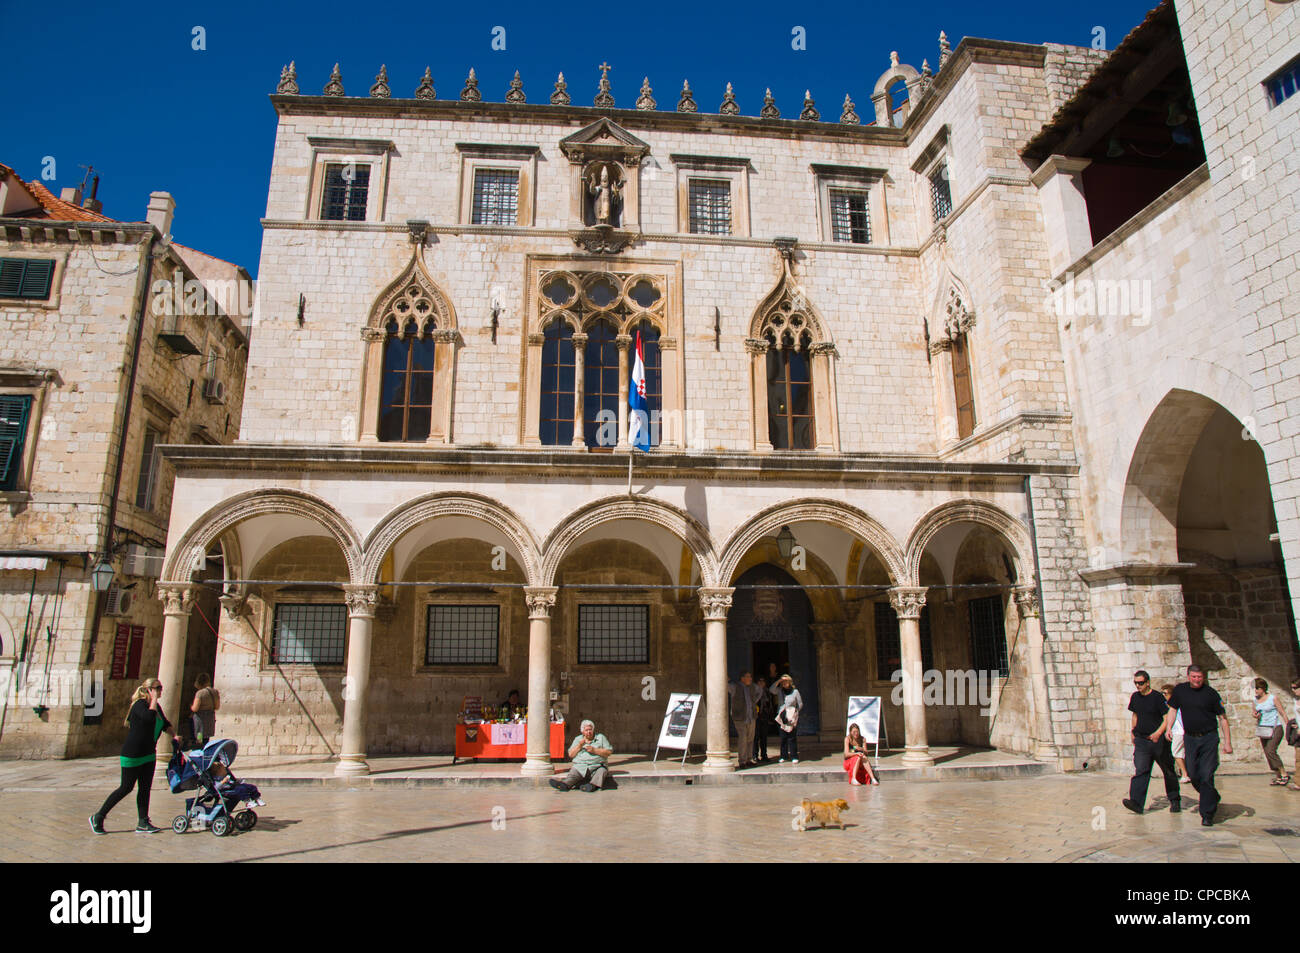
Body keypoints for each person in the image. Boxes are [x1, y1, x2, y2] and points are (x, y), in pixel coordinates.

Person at [89, 678, 183, 834]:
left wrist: (174, 735)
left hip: (148, 753)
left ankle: (143, 821)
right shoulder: (139, 705)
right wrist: (152, 700)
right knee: (125, 787)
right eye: (157, 688)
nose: (160, 691)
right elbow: (148, 718)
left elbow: (164, 723)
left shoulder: (156, 707)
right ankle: (98, 816)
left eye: (161, 688)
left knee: (145, 788)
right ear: (148, 690)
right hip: (133, 754)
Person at [1161, 664, 1232, 826]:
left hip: (1209, 738)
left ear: (1203, 677)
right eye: (1194, 677)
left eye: (1199, 677)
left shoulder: (1211, 694)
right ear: (1188, 677)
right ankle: (1212, 796)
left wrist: (1228, 742)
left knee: (1206, 775)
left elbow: (1223, 718)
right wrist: (1169, 728)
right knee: (1193, 775)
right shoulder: (1180, 691)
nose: (1197, 680)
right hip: (1190, 739)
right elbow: (1172, 709)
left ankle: (1207, 814)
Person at [1122, 670, 1180, 815]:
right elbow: (1135, 714)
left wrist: (1158, 733)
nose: (1138, 686)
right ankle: (1136, 802)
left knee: (1168, 770)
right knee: (1141, 770)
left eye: (1140, 683)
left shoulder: (1157, 698)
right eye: (1135, 683)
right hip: (1142, 740)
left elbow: (1166, 717)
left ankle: (1174, 800)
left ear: (1147, 682)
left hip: (1158, 741)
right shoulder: (1135, 697)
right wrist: (1133, 731)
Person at [550, 719, 614, 792]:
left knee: (602, 771)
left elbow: (609, 752)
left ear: (593, 730)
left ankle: (592, 786)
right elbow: (571, 754)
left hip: (597, 766)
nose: (589, 732)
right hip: (581, 766)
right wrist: (579, 745)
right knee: (573, 773)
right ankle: (564, 785)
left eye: (590, 729)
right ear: (582, 731)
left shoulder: (601, 737)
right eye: (586, 730)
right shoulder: (578, 739)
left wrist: (594, 750)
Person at [1253, 678, 1290, 786]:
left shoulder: (1273, 698)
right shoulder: (1255, 700)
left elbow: (1282, 711)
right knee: (1267, 753)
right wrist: (1255, 715)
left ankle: (1284, 774)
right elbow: (1254, 713)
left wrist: (1287, 724)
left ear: (1263, 688)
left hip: (1275, 727)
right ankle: (1278, 775)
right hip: (1263, 729)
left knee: (1271, 750)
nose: (1255, 690)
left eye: (1257, 688)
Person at [729, 671, 759, 768]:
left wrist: (754, 702)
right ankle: (742, 761)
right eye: (747, 676)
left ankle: (749, 759)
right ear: (742, 678)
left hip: (751, 717)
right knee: (743, 739)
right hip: (740, 718)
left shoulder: (753, 687)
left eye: (750, 676)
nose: (750, 678)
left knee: (750, 739)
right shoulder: (735, 687)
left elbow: (760, 691)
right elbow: (724, 686)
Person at [1160, 684, 1190, 783]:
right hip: (1175, 731)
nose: (1163, 695)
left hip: (1179, 731)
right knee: (1181, 753)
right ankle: (1184, 773)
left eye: (1165, 693)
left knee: (1176, 752)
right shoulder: (1166, 705)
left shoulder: (1176, 705)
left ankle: (1185, 774)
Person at [771, 674, 803, 763]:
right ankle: (783, 756)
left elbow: (800, 704)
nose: (785, 683)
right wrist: (778, 680)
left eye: (786, 681)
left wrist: (795, 713)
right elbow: (771, 690)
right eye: (783, 682)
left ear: (790, 682)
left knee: (792, 737)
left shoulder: (795, 692)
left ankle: (794, 756)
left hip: (791, 717)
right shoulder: (779, 691)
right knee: (783, 737)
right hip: (782, 717)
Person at [190, 672, 220, 746]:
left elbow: (195, 708)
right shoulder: (215, 692)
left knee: (199, 735)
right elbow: (217, 706)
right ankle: (205, 749)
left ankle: (199, 748)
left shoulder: (200, 693)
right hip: (210, 718)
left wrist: (190, 706)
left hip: (200, 719)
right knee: (207, 737)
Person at [754, 676, 775, 763]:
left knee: (764, 737)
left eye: (763, 681)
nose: (761, 683)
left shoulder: (767, 692)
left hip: (765, 716)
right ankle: (755, 755)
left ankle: (764, 755)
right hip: (756, 717)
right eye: (759, 681)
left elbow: (770, 704)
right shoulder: (754, 691)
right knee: (756, 737)